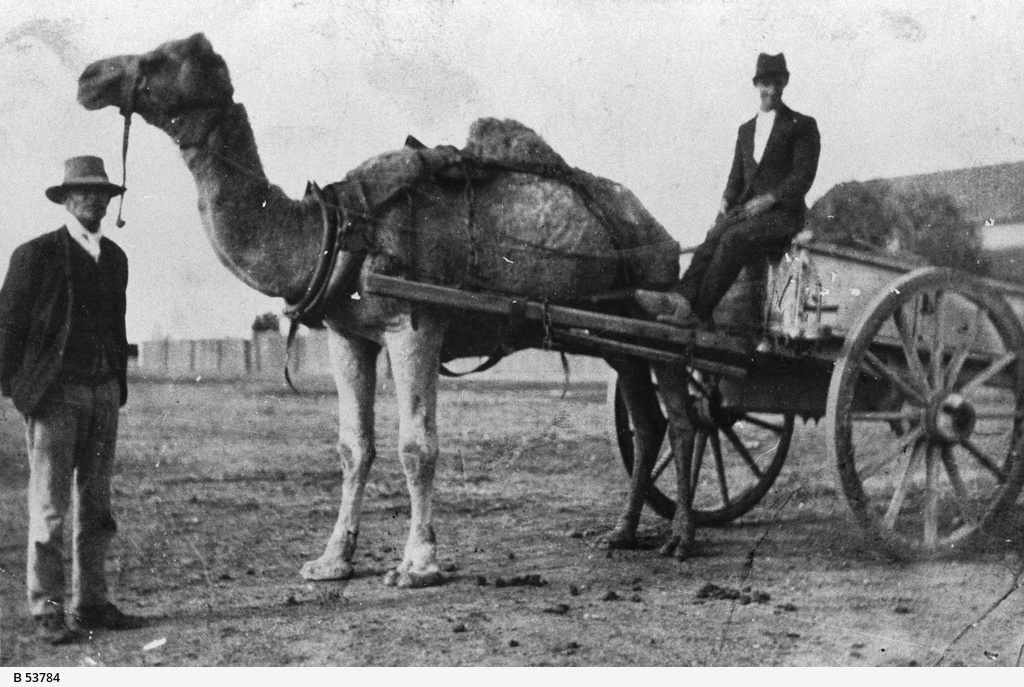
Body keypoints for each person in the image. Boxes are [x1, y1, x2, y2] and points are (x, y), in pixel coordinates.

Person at [0, 155, 142, 645]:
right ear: (64, 198)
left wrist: (114, 385)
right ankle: (47, 609)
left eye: (102, 192)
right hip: (55, 397)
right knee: (50, 509)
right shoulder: (35, 255)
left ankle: (92, 603)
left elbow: (116, 327)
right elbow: (8, 330)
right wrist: (21, 392)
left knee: (97, 506)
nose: (94, 199)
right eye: (83, 191)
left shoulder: (116, 258)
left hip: (104, 394)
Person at [637, 52, 820, 326]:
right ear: (756, 85)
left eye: (776, 83)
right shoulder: (745, 130)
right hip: (747, 213)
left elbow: (802, 177)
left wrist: (770, 199)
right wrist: (726, 200)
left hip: (784, 217)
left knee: (734, 239)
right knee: (714, 235)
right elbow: (736, 176)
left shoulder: (802, 125)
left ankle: (700, 312)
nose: (770, 90)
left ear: (785, 83)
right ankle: (681, 299)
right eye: (764, 83)